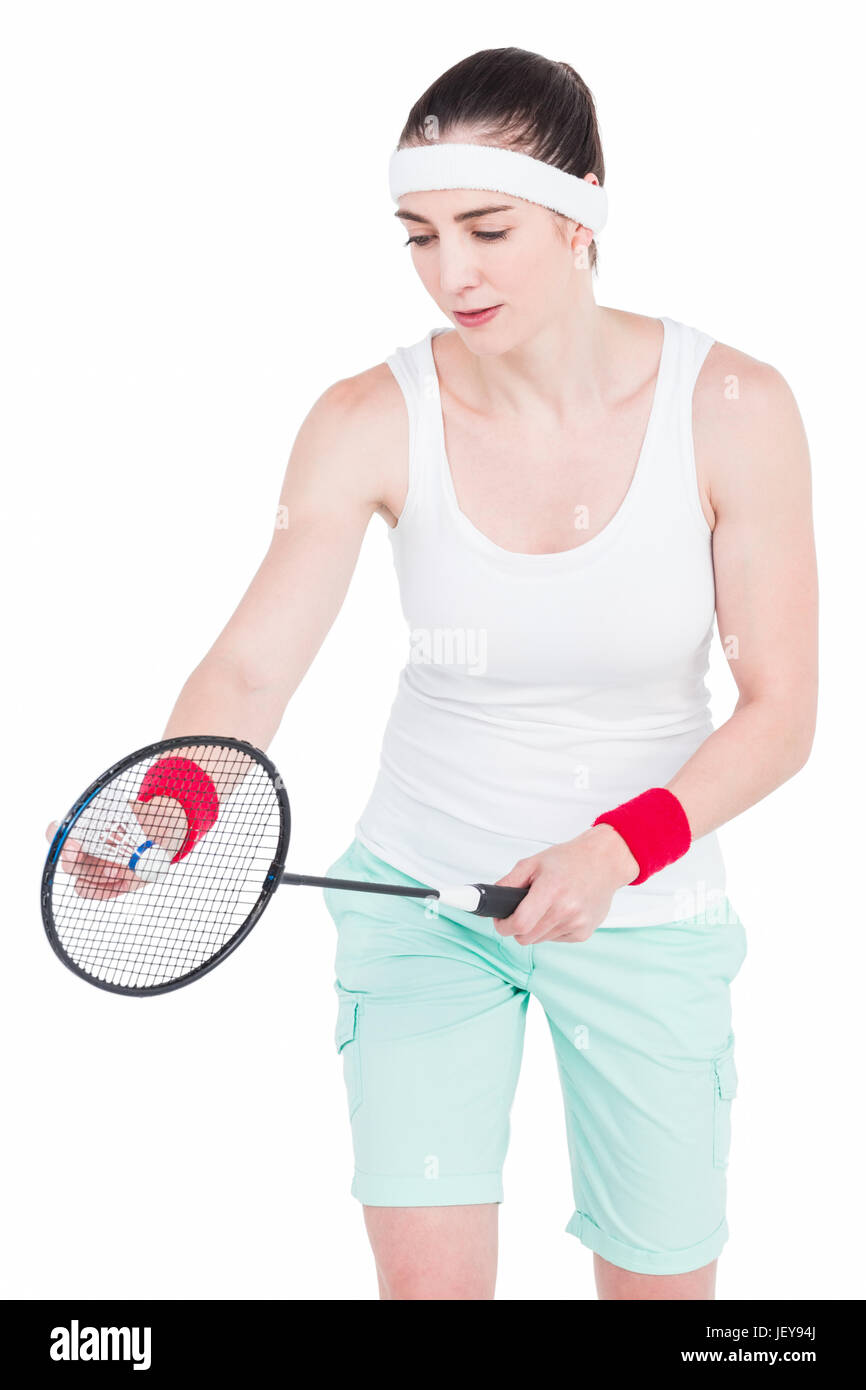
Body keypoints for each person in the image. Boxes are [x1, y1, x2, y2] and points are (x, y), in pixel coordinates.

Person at [47, 46, 818, 1300]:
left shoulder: (731, 405)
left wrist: (611, 848)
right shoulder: (366, 416)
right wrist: (169, 808)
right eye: (416, 233)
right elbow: (252, 667)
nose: (447, 272)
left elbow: (780, 712)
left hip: (643, 909)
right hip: (418, 907)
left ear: (582, 212)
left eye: (486, 227)